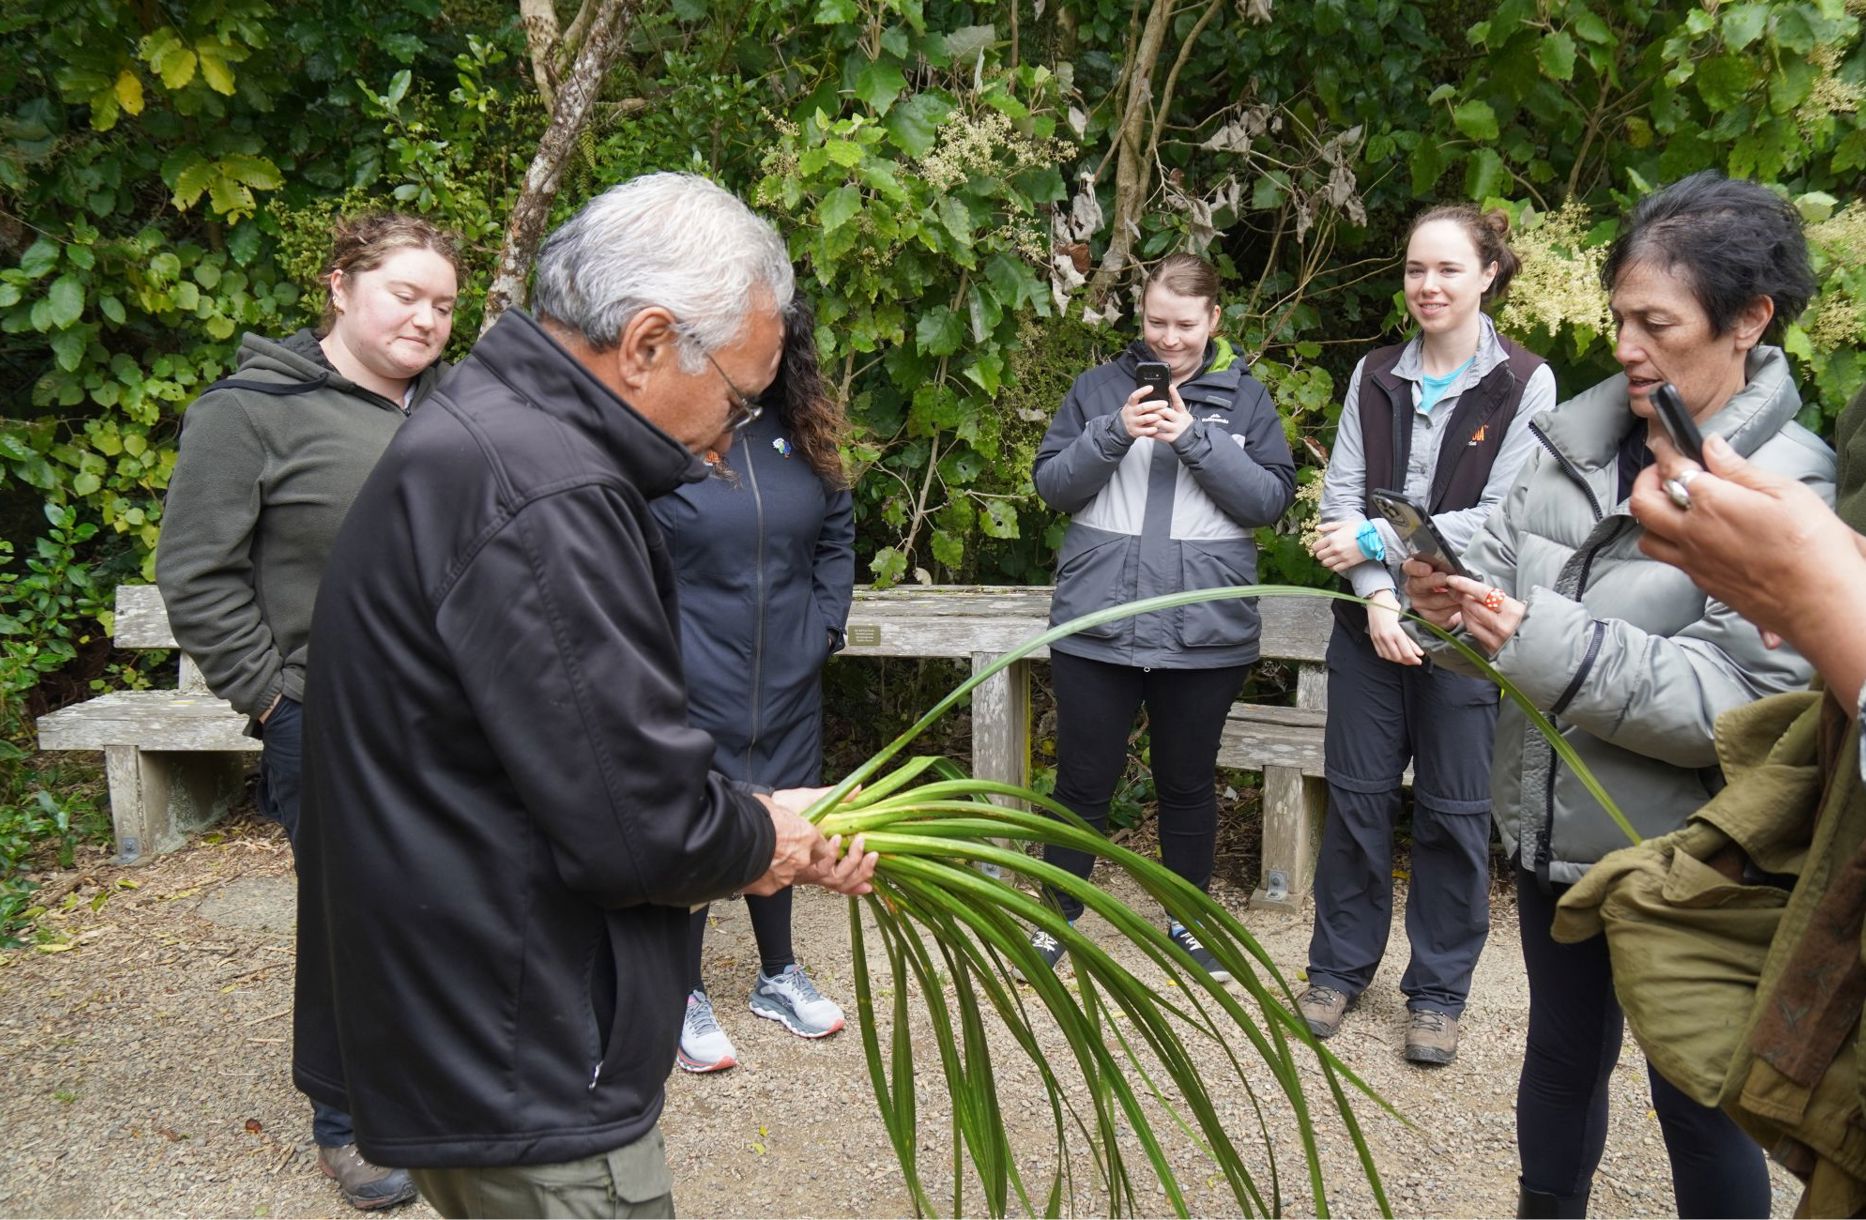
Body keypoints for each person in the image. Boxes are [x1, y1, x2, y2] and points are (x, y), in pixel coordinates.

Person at [289, 172, 878, 1220]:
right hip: (520, 1053)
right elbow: (637, 827)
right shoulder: (543, 490)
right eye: (739, 399)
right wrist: (768, 835)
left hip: (462, 1022)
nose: (727, 443)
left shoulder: (490, 422)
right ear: (647, 342)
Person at [1403, 171, 1833, 1218]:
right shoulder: (1570, 448)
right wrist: (1447, 610)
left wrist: (1537, 634)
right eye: (1618, 320)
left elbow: (1745, 708)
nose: (1629, 347)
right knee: (1557, 1057)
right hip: (1555, 834)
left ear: (1749, 320)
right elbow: (1498, 602)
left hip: (1694, 859)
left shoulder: (1793, 483)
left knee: (1697, 1097)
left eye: (1658, 323)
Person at [155, 212, 461, 1212]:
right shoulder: (252, 411)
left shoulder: (452, 408)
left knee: (450, 904)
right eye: (406, 293)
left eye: (445, 303)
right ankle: (347, 1119)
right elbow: (195, 573)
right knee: (353, 920)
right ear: (339, 286)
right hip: (327, 718)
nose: (427, 317)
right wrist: (271, 699)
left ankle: (437, 1091)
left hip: (459, 718)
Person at [1300, 206, 1554, 1066]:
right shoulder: (1375, 374)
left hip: (1467, 627)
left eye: (1448, 269)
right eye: (1415, 269)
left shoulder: (1525, 382)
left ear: (1488, 272)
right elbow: (1340, 500)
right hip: (1368, 625)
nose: (1428, 286)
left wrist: (1376, 541)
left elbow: (1502, 521)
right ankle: (1336, 971)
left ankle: (1439, 993)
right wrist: (1375, 595)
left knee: (1453, 812)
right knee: (1358, 802)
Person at [1027, 252, 1296, 979]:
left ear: (1213, 319)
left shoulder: (1247, 403)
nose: (1167, 340)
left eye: (1183, 324)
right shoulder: (1096, 391)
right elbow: (1052, 486)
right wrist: (1114, 432)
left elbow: (1268, 503)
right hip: (1097, 626)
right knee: (1083, 781)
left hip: (1202, 632)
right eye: (1154, 323)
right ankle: (1057, 916)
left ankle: (1188, 918)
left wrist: (1193, 438)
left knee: (1187, 781)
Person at [650, 299, 856, 1072]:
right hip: (694, 670)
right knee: (705, 819)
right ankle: (683, 991)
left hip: (789, 675)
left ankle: (778, 974)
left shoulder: (801, 429)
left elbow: (838, 529)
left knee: (783, 814)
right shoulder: (680, 429)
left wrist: (826, 624)